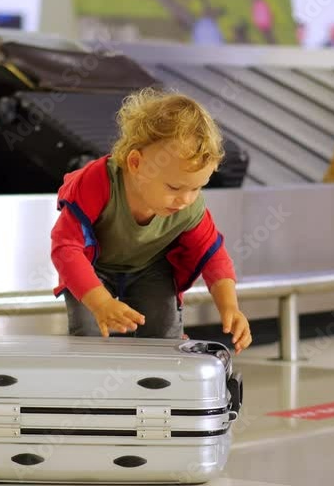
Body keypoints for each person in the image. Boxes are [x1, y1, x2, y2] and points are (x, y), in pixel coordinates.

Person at [49, 88, 252, 354]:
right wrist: (101, 302)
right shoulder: (96, 183)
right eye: (174, 187)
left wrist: (230, 308)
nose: (186, 199)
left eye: (197, 188)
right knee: (89, 334)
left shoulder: (189, 208)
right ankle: (91, 385)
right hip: (93, 267)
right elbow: (66, 249)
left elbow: (213, 256)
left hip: (150, 269)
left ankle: (160, 388)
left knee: (164, 334)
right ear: (136, 163)